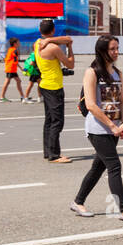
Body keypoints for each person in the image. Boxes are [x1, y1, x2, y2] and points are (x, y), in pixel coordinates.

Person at [70, 35, 123, 222]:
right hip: (98, 129)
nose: (116, 52)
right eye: (112, 49)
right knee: (114, 166)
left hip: (115, 129)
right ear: (102, 51)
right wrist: (111, 125)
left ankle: (78, 202)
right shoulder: (92, 73)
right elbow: (92, 105)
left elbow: (122, 100)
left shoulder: (117, 72)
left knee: (98, 167)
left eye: (117, 48)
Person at [34, 19, 75, 163]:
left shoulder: (38, 43)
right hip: (54, 87)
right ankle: (54, 154)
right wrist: (70, 48)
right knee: (57, 121)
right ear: (53, 30)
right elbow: (70, 64)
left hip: (44, 84)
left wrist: (50, 39)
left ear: (41, 31)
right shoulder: (53, 48)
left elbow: (67, 39)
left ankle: (48, 151)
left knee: (49, 120)